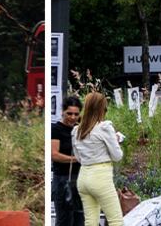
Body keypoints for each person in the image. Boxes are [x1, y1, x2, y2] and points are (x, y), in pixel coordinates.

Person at [71, 91, 126, 226]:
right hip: (101, 177)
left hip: (83, 178)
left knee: (91, 222)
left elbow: (78, 157)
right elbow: (117, 156)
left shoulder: (76, 131)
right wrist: (116, 140)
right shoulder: (104, 128)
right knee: (116, 221)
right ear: (101, 109)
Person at [50, 100, 82, 226]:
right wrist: (76, 159)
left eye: (76, 114)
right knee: (64, 220)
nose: (73, 117)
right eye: (69, 113)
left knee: (80, 220)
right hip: (63, 179)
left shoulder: (80, 128)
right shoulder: (56, 129)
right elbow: (54, 155)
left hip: (80, 179)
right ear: (62, 112)